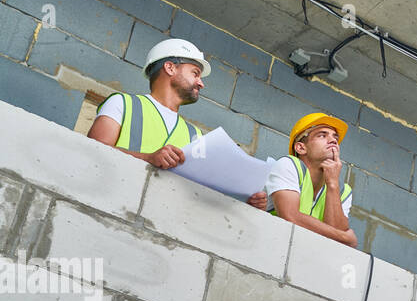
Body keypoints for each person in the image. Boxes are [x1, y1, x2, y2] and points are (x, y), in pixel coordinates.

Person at [87, 37, 266, 209]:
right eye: (195, 73)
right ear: (170, 68)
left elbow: (203, 191)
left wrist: (245, 201)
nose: (201, 83)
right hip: (111, 203)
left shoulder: (195, 135)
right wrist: (148, 158)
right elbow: (92, 150)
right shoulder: (123, 104)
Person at [265, 113, 358, 248]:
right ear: (301, 148)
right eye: (322, 135)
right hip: (269, 247)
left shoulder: (343, 191)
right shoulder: (289, 165)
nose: (333, 141)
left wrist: (332, 184)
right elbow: (290, 216)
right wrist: (344, 237)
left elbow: (337, 246)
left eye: (335, 137)